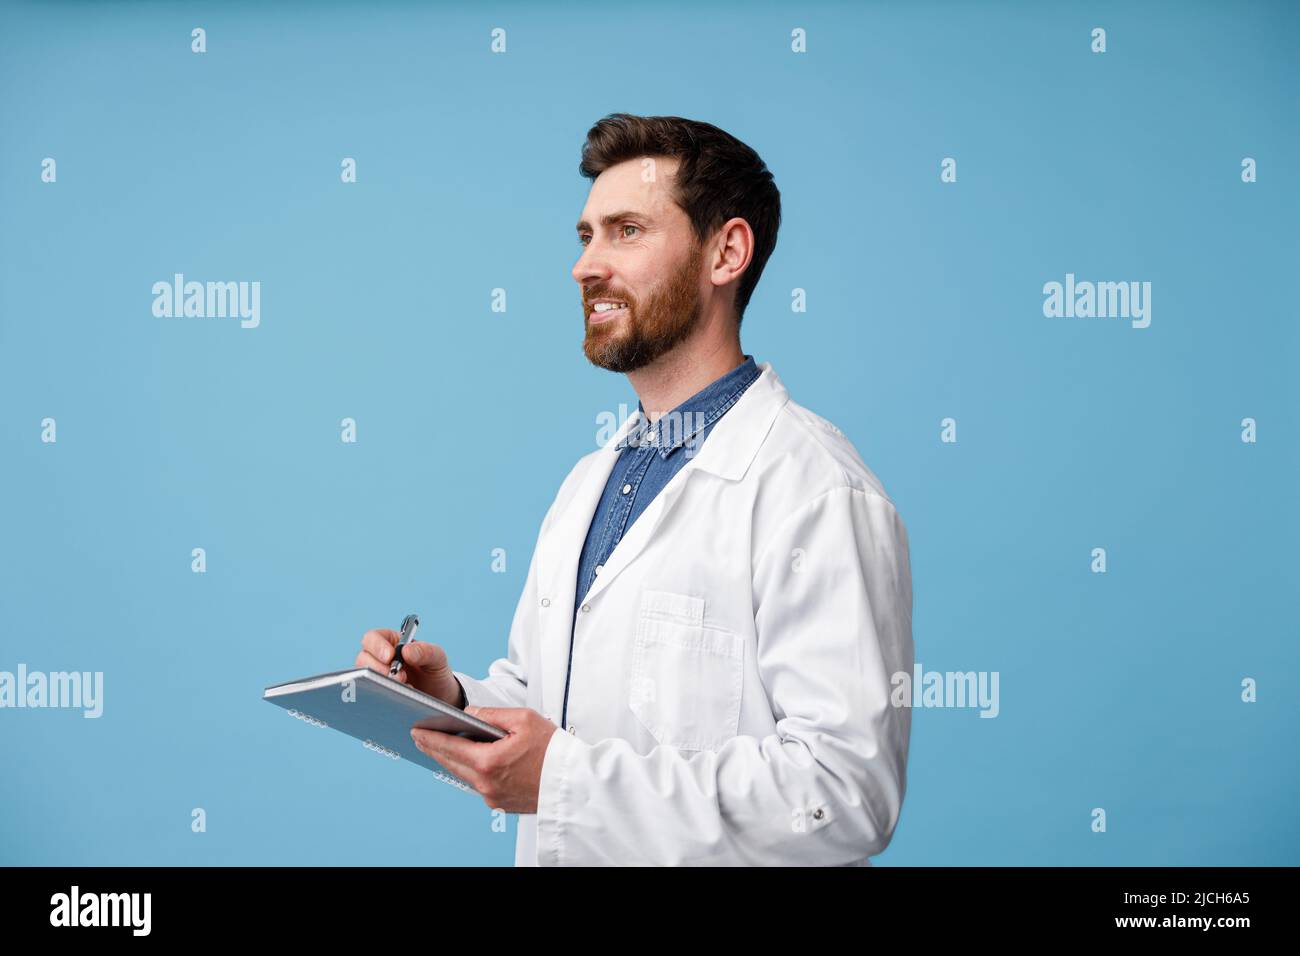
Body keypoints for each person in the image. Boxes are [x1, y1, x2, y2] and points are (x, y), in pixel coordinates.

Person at [355, 113, 914, 866]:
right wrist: (453, 699)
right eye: (586, 236)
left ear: (727, 252)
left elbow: (842, 794)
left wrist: (567, 779)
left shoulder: (815, 491)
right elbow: (561, 709)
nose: (586, 266)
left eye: (626, 231)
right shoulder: (589, 482)